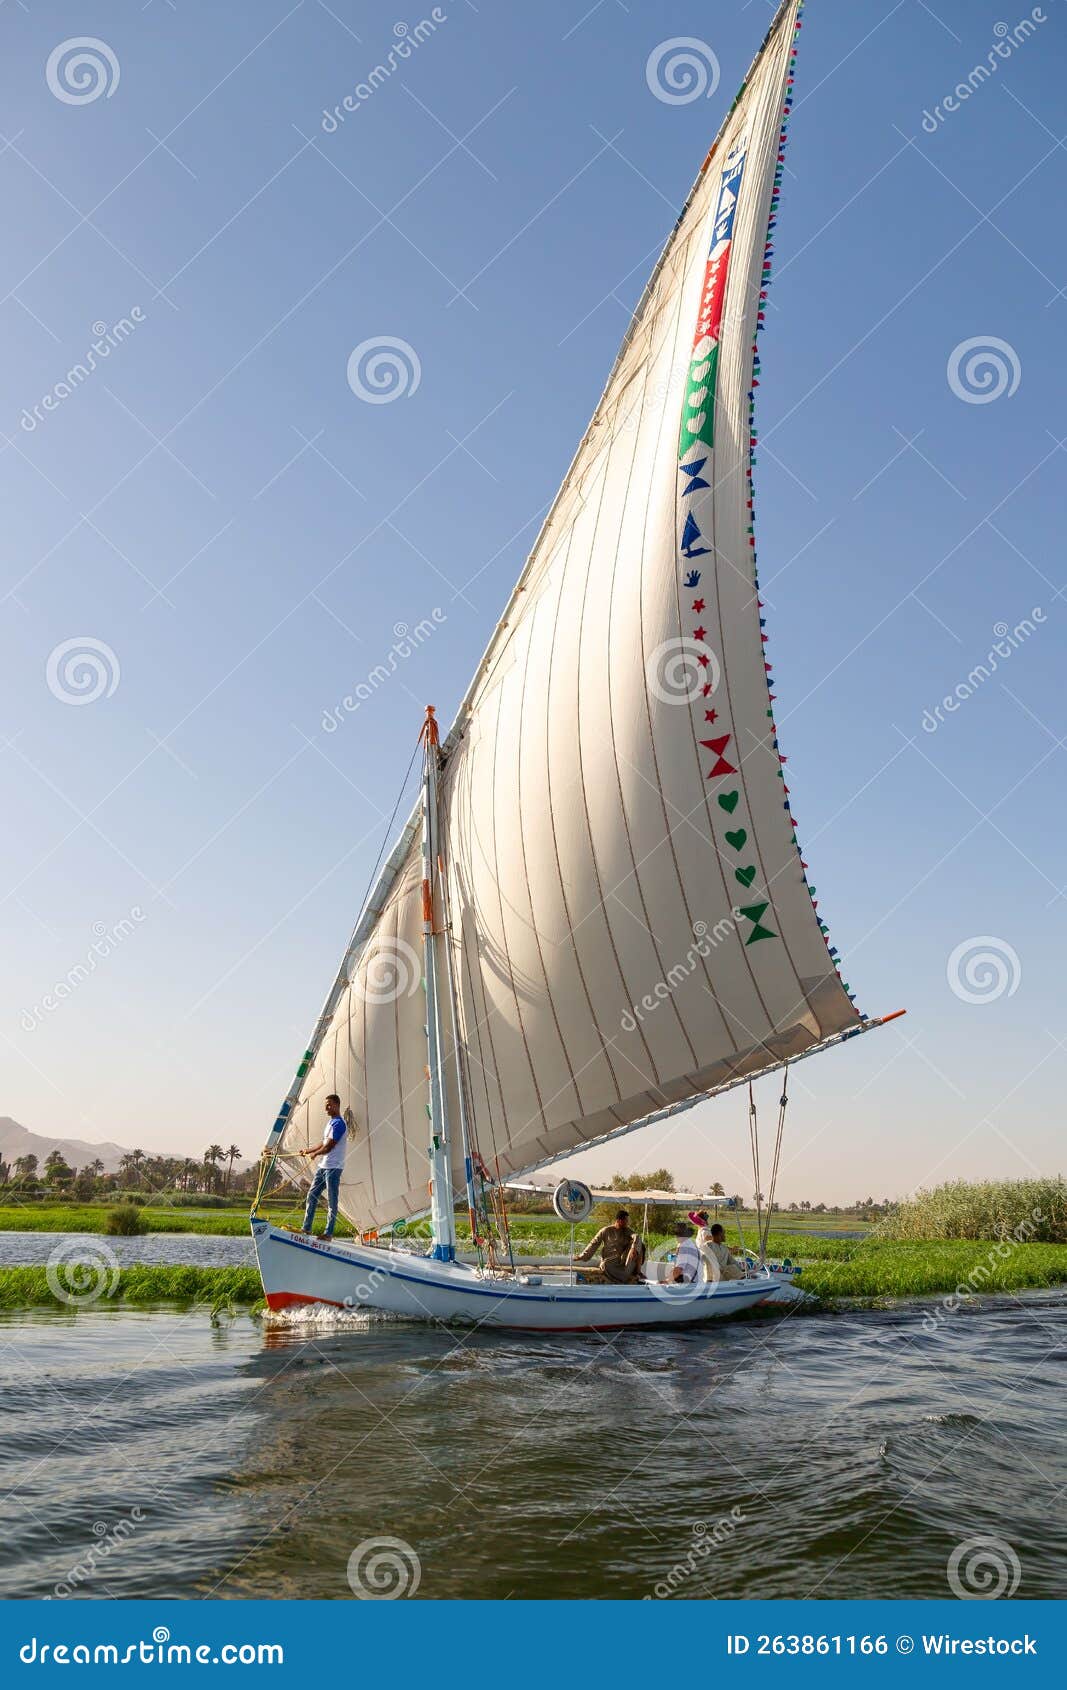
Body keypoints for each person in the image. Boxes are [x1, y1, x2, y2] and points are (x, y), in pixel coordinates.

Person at [300, 1094, 349, 1240]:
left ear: (336, 1105)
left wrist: (315, 1154)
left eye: (329, 1104)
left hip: (334, 1168)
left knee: (332, 1201)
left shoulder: (339, 1124)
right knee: (312, 1195)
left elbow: (329, 1147)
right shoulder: (330, 1123)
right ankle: (306, 1228)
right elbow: (323, 1143)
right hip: (323, 1167)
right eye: (325, 1105)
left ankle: (328, 1233)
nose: (326, 1108)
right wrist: (308, 1150)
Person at [574, 1209, 646, 1283]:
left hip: (623, 1264)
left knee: (640, 1243)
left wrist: (633, 1248)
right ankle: (620, 1277)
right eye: (626, 1221)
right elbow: (594, 1243)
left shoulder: (627, 1231)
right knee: (605, 1264)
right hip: (609, 1263)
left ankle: (638, 1272)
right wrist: (582, 1256)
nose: (627, 1223)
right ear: (619, 1220)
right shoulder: (606, 1230)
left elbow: (636, 1236)